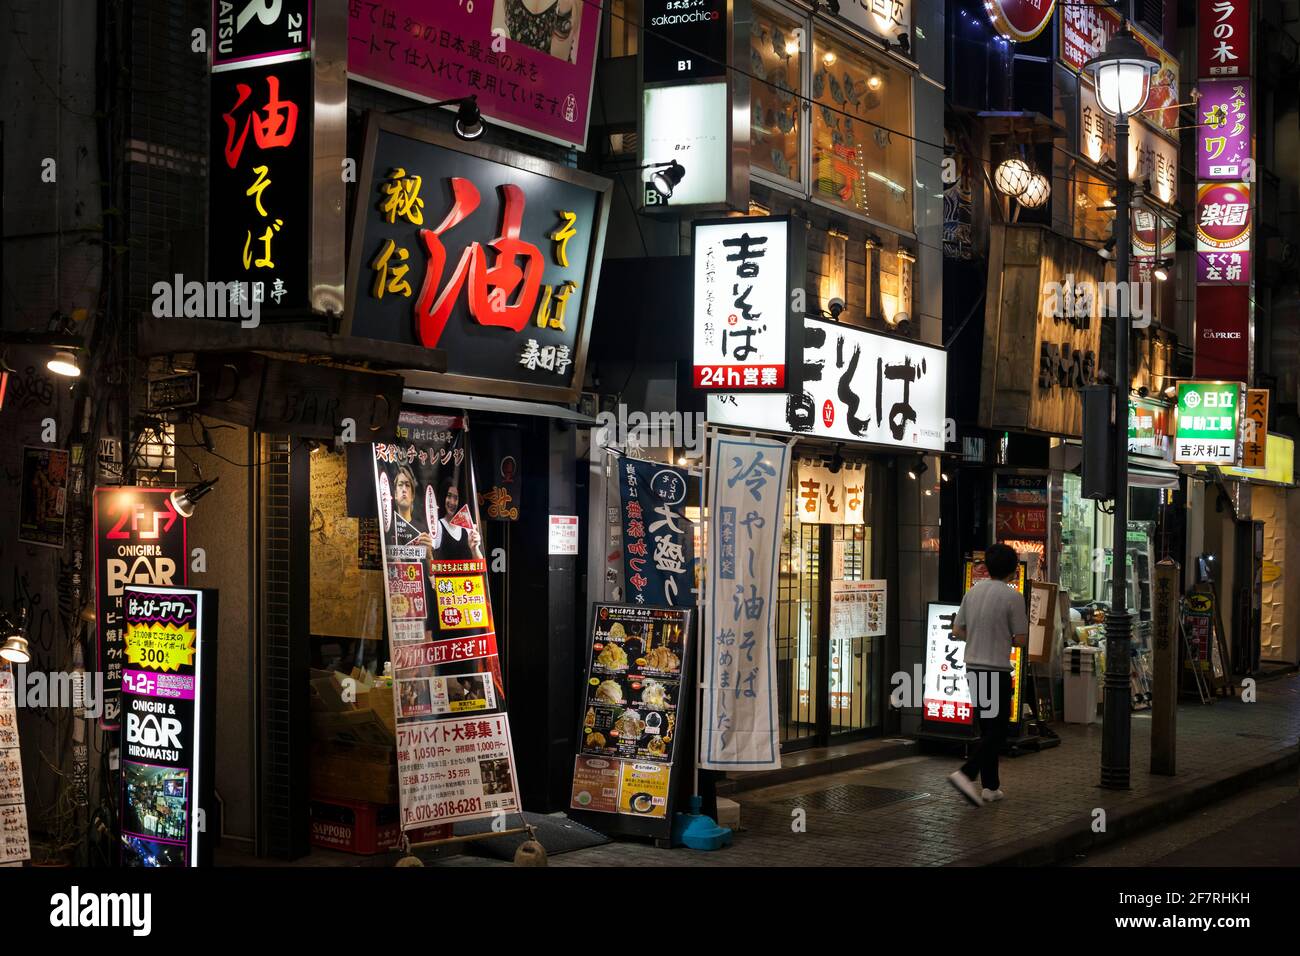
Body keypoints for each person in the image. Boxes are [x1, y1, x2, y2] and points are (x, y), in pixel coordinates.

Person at [947, 543, 1028, 807]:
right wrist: (1003, 639)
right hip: (996, 670)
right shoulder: (1013, 597)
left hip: (972, 668)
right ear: (1013, 570)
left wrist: (977, 638)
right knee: (998, 730)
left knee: (987, 729)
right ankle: (966, 774)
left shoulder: (972, 592)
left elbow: (957, 630)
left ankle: (990, 787)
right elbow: (1021, 639)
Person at [430, 479, 483, 561]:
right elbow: (428, 559)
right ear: (443, 497)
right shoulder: (437, 527)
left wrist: (474, 548)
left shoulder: (467, 527)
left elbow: (479, 565)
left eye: (456, 498)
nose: (452, 502)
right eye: (449, 496)